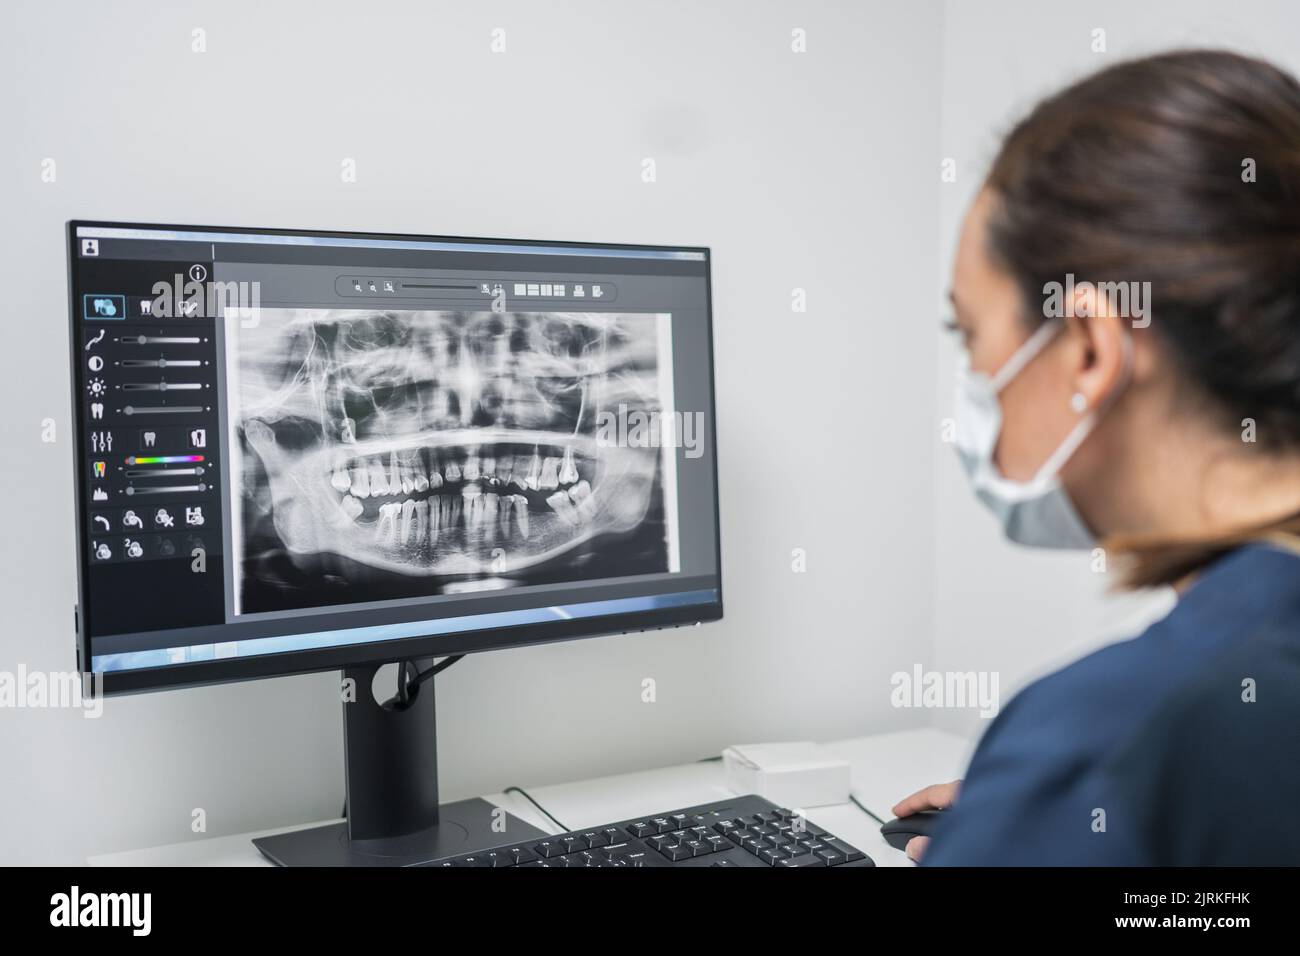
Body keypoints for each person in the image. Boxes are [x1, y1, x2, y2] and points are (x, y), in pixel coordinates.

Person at [900, 49, 1300, 865]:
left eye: (970, 335)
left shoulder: (1105, 735)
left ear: (1089, 349)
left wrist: (1041, 811)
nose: (975, 379)